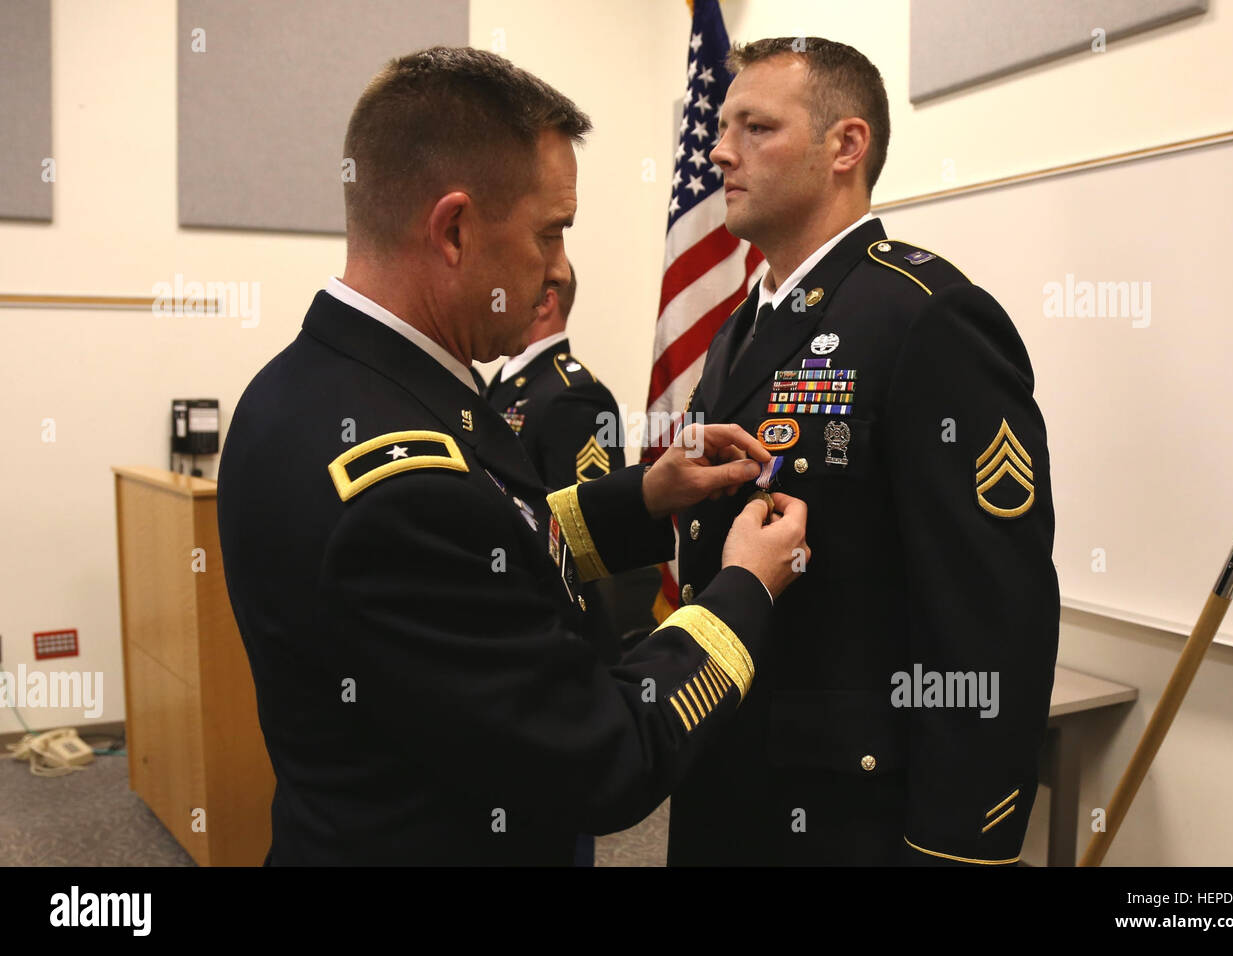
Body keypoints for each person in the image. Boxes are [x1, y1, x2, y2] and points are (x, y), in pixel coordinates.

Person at [216, 46, 810, 866]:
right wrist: (744, 589)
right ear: (454, 229)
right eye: (550, 232)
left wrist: (642, 497)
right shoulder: (401, 484)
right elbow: (604, 757)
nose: (560, 270)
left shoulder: (305, 388)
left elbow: (496, 535)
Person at [666, 37, 1060, 866]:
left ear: (846, 146)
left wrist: (956, 845)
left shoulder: (925, 314)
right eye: (722, 127)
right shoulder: (744, 323)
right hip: (729, 771)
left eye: (755, 128)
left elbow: (990, 610)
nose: (720, 150)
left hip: (849, 811)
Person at [485, 260, 624, 488]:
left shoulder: (576, 395)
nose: (494, 302)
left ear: (545, 302)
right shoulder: (507, 378)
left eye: (505, 292)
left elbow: (588, 512)